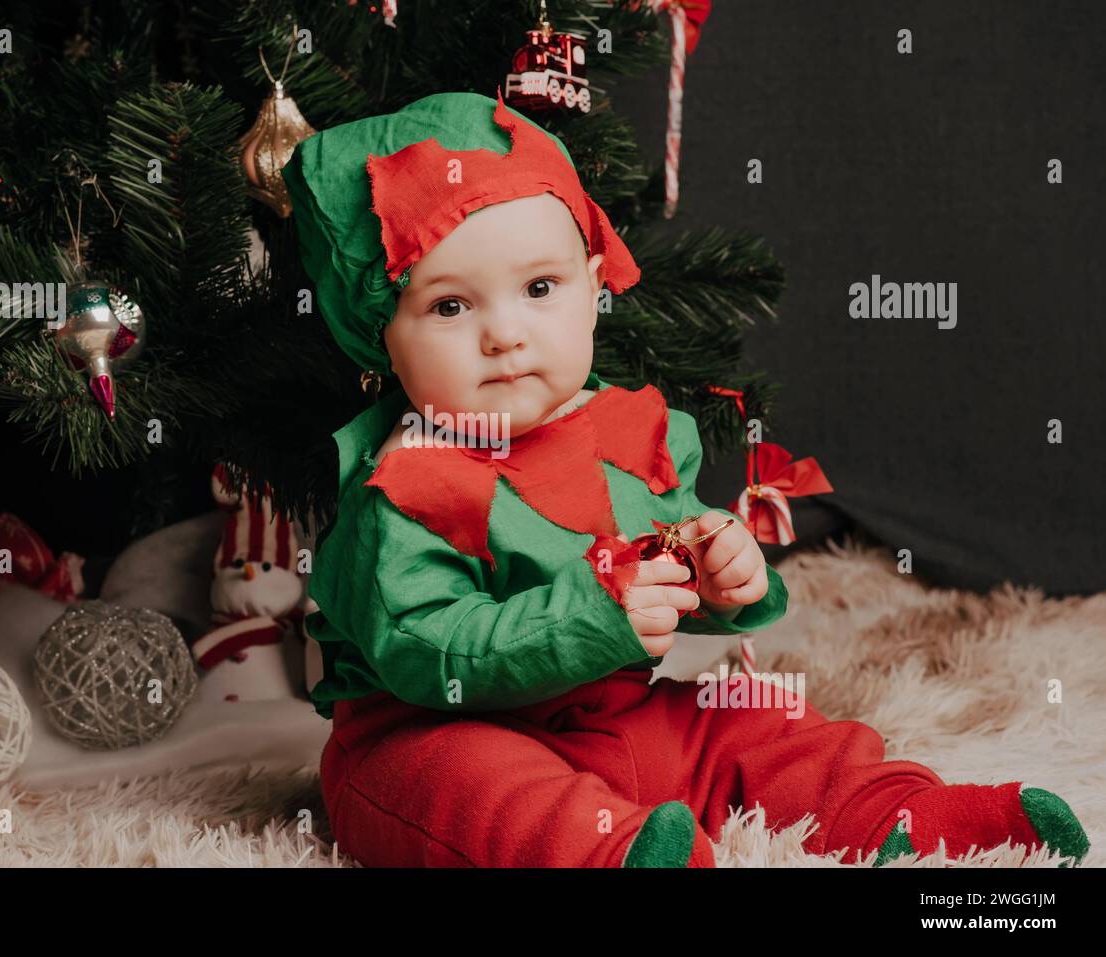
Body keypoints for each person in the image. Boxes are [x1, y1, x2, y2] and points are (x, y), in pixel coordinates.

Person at [281, 90, 1090, 868]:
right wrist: (594, 614)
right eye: (451, 306)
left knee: (754, 719)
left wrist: (722, 571)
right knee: (458, 785)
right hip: (443, 729)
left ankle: (902, 813)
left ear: (594, 288)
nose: (505, 335)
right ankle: (610, 853)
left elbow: (675, 556)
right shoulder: (405, 486)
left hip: (617, 721)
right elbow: (428, 649)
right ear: (382, 333)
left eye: (539, 288)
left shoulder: (629, 434)